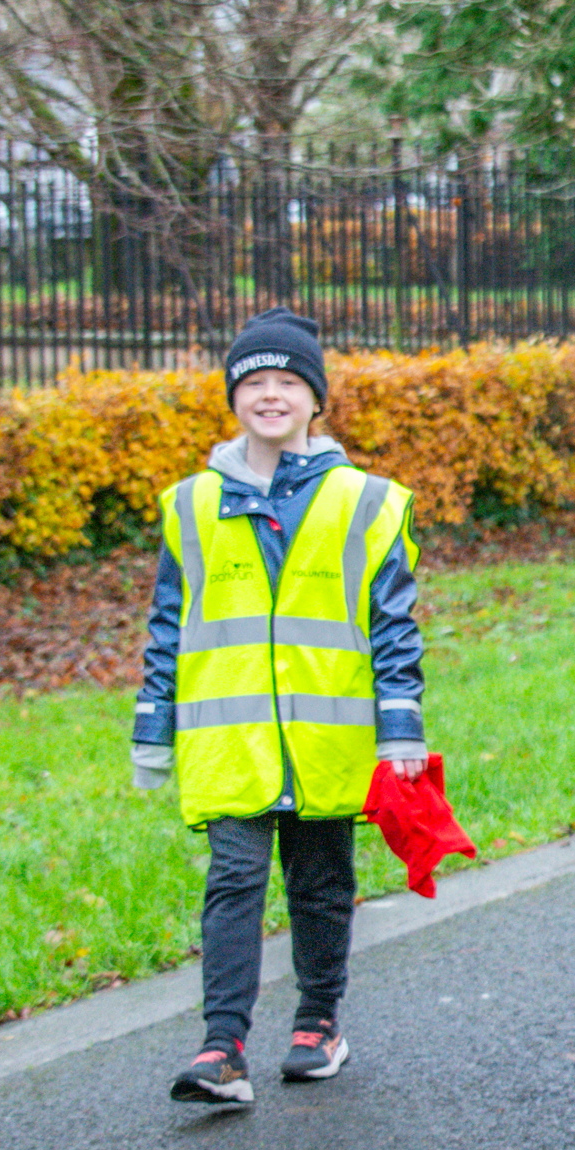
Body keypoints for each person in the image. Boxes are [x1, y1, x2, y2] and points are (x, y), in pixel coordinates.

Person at [132, 308, 428, 1106]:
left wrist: (401, 727)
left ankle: (317, 1023)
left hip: (327, 734)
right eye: (254, 382)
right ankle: (221, 1047)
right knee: (232, 880)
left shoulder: (367, 501)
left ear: (314, 399)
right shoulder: (190, 504)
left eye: (287, 381)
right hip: (227, 738)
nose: (270, 395)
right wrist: (152, 724)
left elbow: (393, 626)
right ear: (234, 398)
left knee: (320, 880)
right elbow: (169, 621)